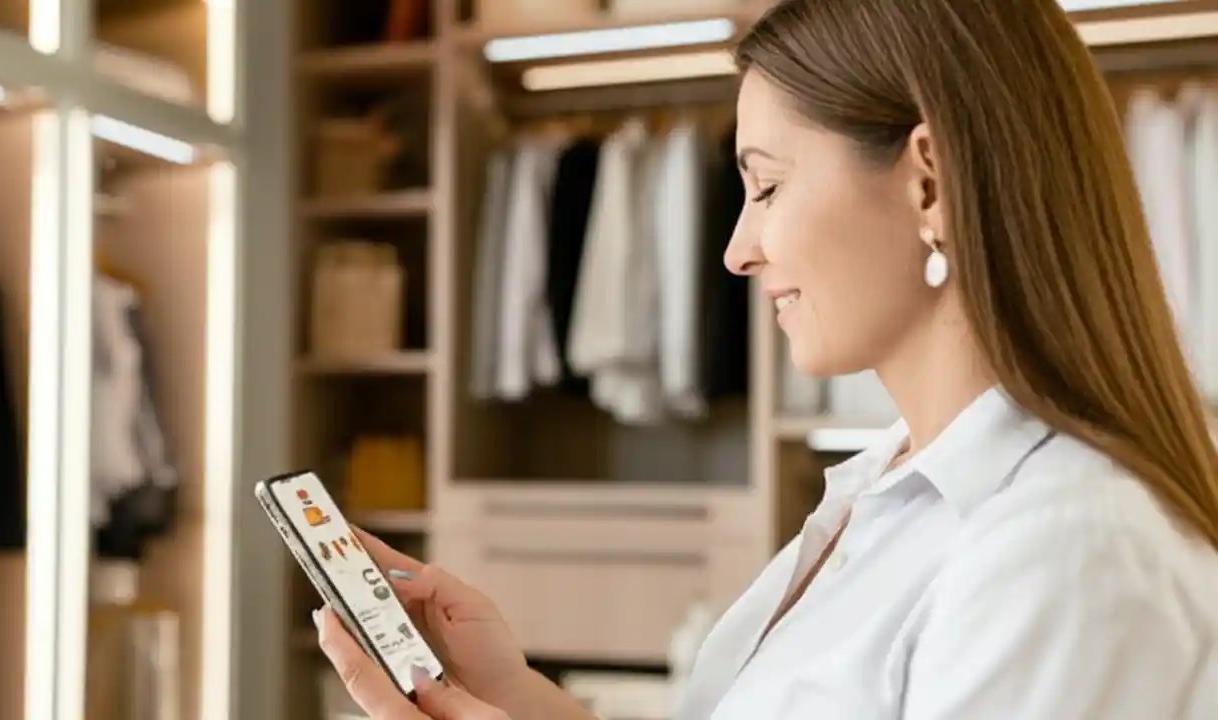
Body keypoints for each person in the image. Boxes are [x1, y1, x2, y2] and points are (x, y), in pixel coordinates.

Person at [316, 0, 1218, 717]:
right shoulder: (883, 492)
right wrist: (516, 699)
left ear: (928, 180)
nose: (736, 250)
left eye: (768, 185)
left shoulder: (1067, 549)